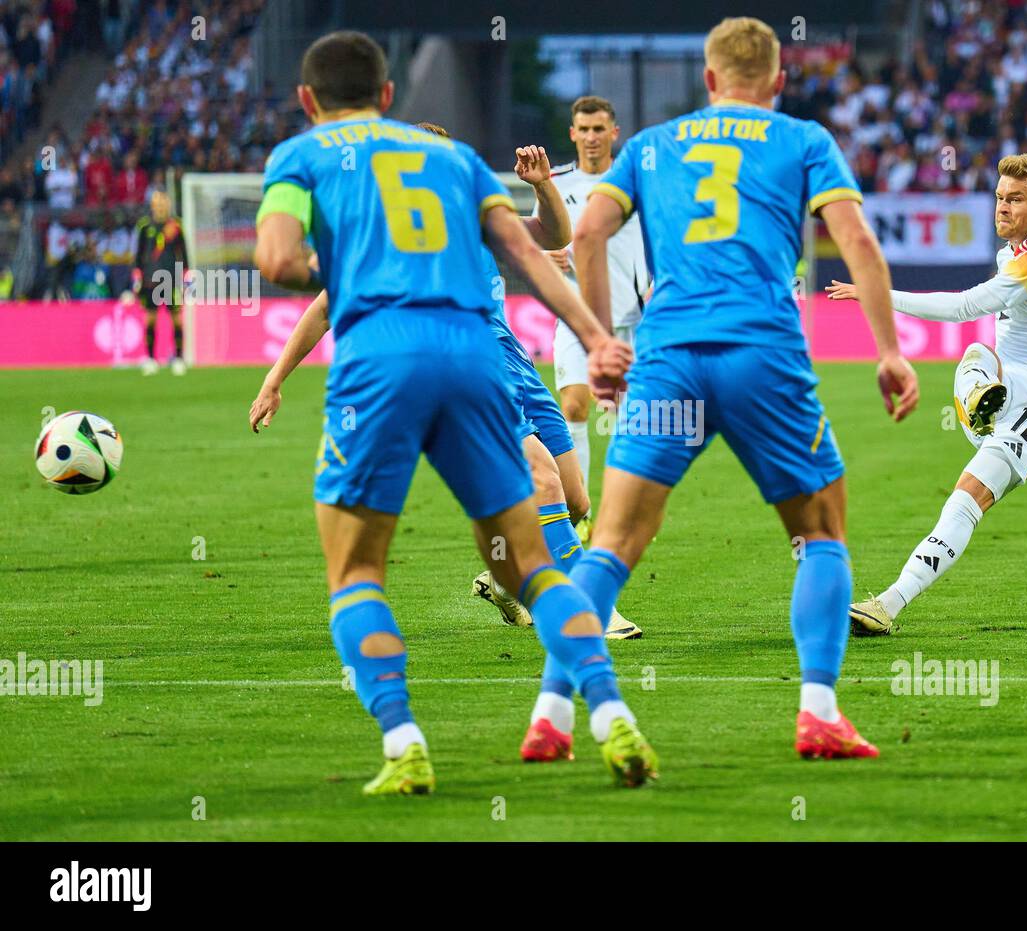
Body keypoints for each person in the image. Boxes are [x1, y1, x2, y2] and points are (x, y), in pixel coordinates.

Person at [252, 32, 656, 793]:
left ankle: (405, 744)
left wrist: (346, 267)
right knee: (534, 558)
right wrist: (598, 336)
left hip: (380, 358)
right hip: (473, 353)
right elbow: (539, 256)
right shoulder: (457, 164)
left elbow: (276, 260)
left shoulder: (300, 158)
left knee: (358, 570)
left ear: (308, 101)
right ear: (389, 97)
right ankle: (608, 713)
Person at [563, 17, 919, 763]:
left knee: (613, 543)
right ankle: (818, 712)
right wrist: (888, 350)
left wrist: (600, 340)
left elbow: (587, 234)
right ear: (779, 82)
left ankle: (555, 711)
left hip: (668, 356)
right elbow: (857, 240)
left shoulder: (652, 144)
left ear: (709, 79)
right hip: (763, 354)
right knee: (820, 532)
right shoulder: (803, 140)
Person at [826, 154, 1027, 636]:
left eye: (1017, 199)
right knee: (976, 354)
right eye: (1001, 197)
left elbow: (965, 305)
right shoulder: (1022, 251)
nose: (1003, 208)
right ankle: (983, 405)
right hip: (1022, 379)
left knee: (966, 497)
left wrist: (878, 292)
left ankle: (888, 604)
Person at [542, 96, 650, 537]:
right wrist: (549, 257)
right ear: (572, 133)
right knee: (573, 404)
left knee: (636, 421)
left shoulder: (636, 183)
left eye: (598, 129)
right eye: (583, 129)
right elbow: (539, 243)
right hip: (575, 314)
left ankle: (628, 512)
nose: (590, 137)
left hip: (634, 318)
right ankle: (580, 517)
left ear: (613, 132)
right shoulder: (556, 184)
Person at [126, 191, 188, 375]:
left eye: (163, 202)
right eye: (157, 202)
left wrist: (187, 275)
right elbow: (138, 253)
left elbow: (183, 252)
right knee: (150, 319)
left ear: (168, 204)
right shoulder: (144, 226)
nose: (160, 205)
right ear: (152, 205)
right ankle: (151, 359)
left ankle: (178, 358)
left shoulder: (176, 225)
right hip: (150, 281)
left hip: (171, 279)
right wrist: (137, 275)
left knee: (176, 319)